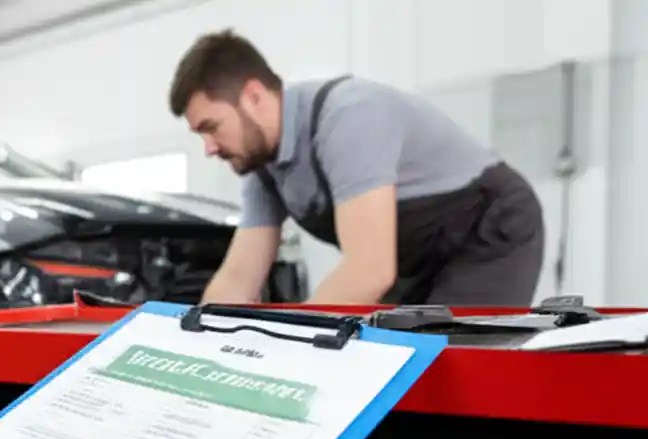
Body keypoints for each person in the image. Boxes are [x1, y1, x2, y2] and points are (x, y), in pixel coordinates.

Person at [168, 29, 545, 306]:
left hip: (487, 228)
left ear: (253, 97)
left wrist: (290, 348)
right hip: (413, 257)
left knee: (449, 367)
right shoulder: (261, 165)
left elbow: (369, 271)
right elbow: (238, 278)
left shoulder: (348, 116)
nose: (208, 148)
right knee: (392, 362)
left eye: (211, 127)